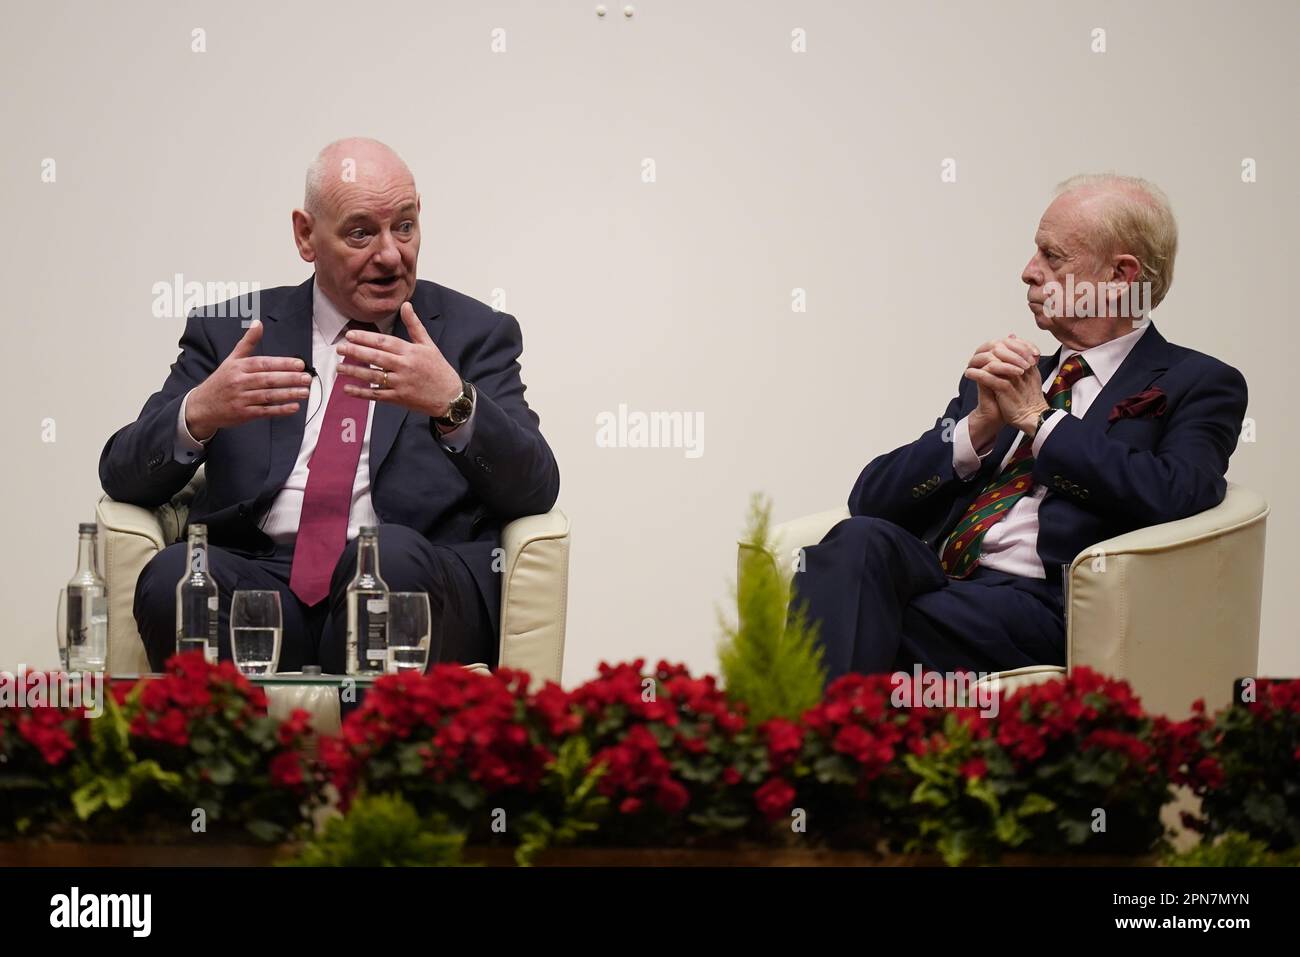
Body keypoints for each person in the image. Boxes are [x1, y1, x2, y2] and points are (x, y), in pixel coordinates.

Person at [100, 137, 559, 673]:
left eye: (404, 226)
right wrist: (201, 410)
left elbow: (535, 488)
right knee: (177, 577)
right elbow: (122, 475)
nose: (390, 254)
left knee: (387, 559)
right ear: (306, 235)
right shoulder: (232, 330)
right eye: (362, 232)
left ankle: (371, 755)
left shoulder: (472, 334)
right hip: (264, 584)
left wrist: (453, 403)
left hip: (411, 579)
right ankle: (233, 754)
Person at [792, 174, 1247, 683]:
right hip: (944, 577)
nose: (1028, 273)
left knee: (842, 615)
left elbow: (1178, 493)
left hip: (1042, 603)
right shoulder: (1007, 379)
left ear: (1121, 276)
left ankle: (805, 750)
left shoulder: (1199, 383)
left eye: (1053, 258)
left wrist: (1041, 422)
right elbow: (870, 499)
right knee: (858, 539)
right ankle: (830, 749)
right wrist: (979, 427)